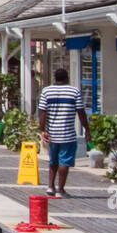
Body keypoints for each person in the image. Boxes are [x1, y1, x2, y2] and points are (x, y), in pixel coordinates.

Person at [37, 67, 89, 199]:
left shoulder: (46, 91)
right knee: (64, 162)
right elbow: (81, 112)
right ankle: (60, 189)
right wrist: (87, 129)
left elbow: (42, 112)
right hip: (68, 134)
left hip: (51, 134)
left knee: (53, 161)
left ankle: (50, 187)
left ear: (55, 78)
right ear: (67, 78)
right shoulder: (74, 91)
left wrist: (42, 130)